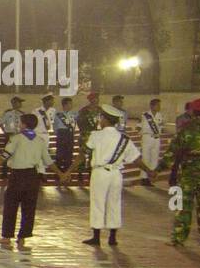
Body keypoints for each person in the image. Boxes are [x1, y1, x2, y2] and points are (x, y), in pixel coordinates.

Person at [154, 97, 200, 247]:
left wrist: (158, 169)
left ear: (193, 112)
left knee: (183, 206)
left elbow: (172, 151)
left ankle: (179, 238)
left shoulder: (186, 128)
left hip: (187, 172)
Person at [0, 113, 65, 246]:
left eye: (20, 122)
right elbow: (48, 161)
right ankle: (23, 236)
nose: (18, 125)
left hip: (17, 175)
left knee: (11, 205)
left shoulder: (16, 138)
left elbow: (3, 157)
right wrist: (61, 174)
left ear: (24, 124)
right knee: (29, 207)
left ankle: (7, 236)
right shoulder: (39, 140)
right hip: (33, 176)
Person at [82, 104, 142, 246]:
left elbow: (84, 152)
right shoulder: (124, 138)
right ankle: (112, 237)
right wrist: (150, 171)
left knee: (98, 202)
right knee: (114, 203)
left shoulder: (96, 135)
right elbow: (136, 159)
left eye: (101, 117)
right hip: (116, 174)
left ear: (104, 119)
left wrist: (68, 171)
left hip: (100, 172)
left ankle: (96, 237)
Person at [139, 98, 163, 186]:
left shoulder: (160, 115)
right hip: (147, 138)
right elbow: (140, 126)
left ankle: (151, 177)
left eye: (160, 105)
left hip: (156, 139)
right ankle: (144, 178)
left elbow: (161, 126)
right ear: (152, 106)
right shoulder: (145, 115)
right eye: (158, 105)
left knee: (154, 158)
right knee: (146, 158)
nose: (159, 107)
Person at [53, 96, 77, 176]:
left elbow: (75, 124)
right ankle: (59, 173)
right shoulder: (58, 115)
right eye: (70, 104)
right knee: (59, 155)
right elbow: (55, 126)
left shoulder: (74, 114)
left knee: (69, 155)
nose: (71, 105)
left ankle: (67, 173)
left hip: (70, 134)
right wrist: (59, 134)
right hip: (61, 134)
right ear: (64, 105)